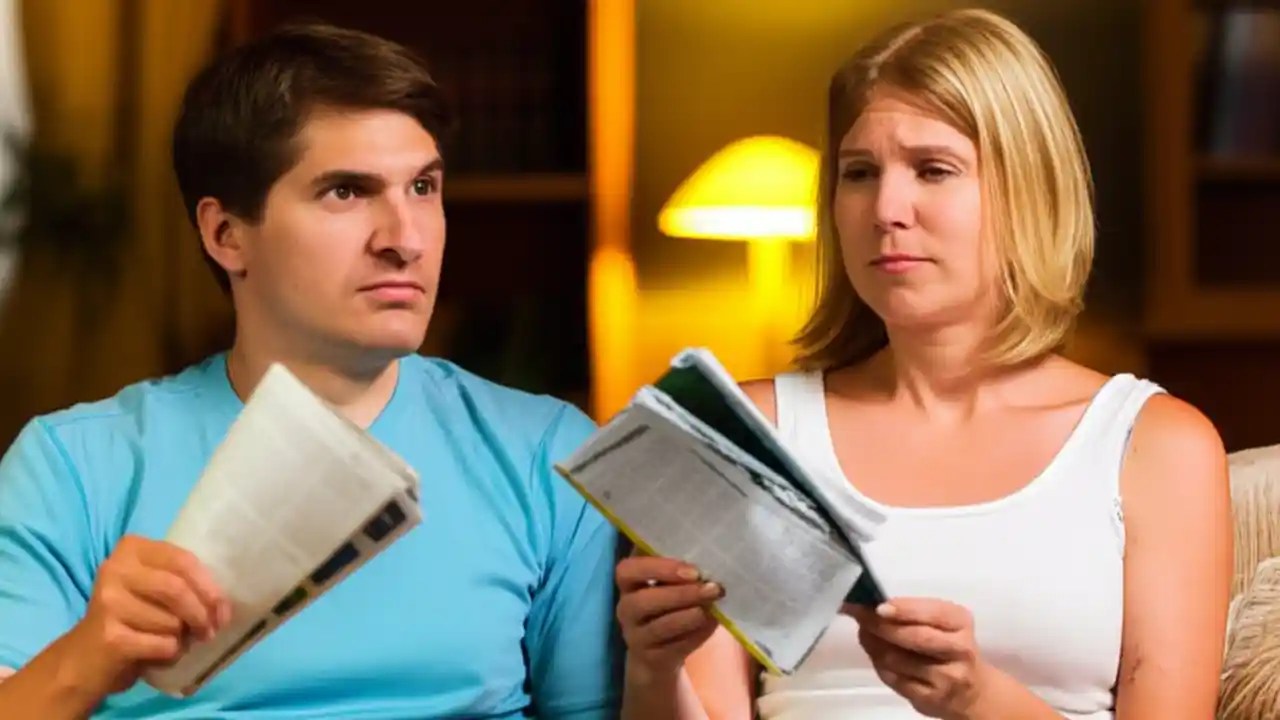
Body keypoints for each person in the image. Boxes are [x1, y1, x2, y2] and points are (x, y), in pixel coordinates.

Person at [615, 8, 1231, 720]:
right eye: (859, 172)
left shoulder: (1156, 444)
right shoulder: (734, 435)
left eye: (933, 170)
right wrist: (653, 674)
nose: (886, 207)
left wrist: (980, 700)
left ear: (1029, 188)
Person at [0, 23, 621, 718]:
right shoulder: (76, 466)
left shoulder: (548, 451)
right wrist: (85, 662)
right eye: (346, 193)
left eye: (422, 186)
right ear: (225, 234)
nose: (404, 239)